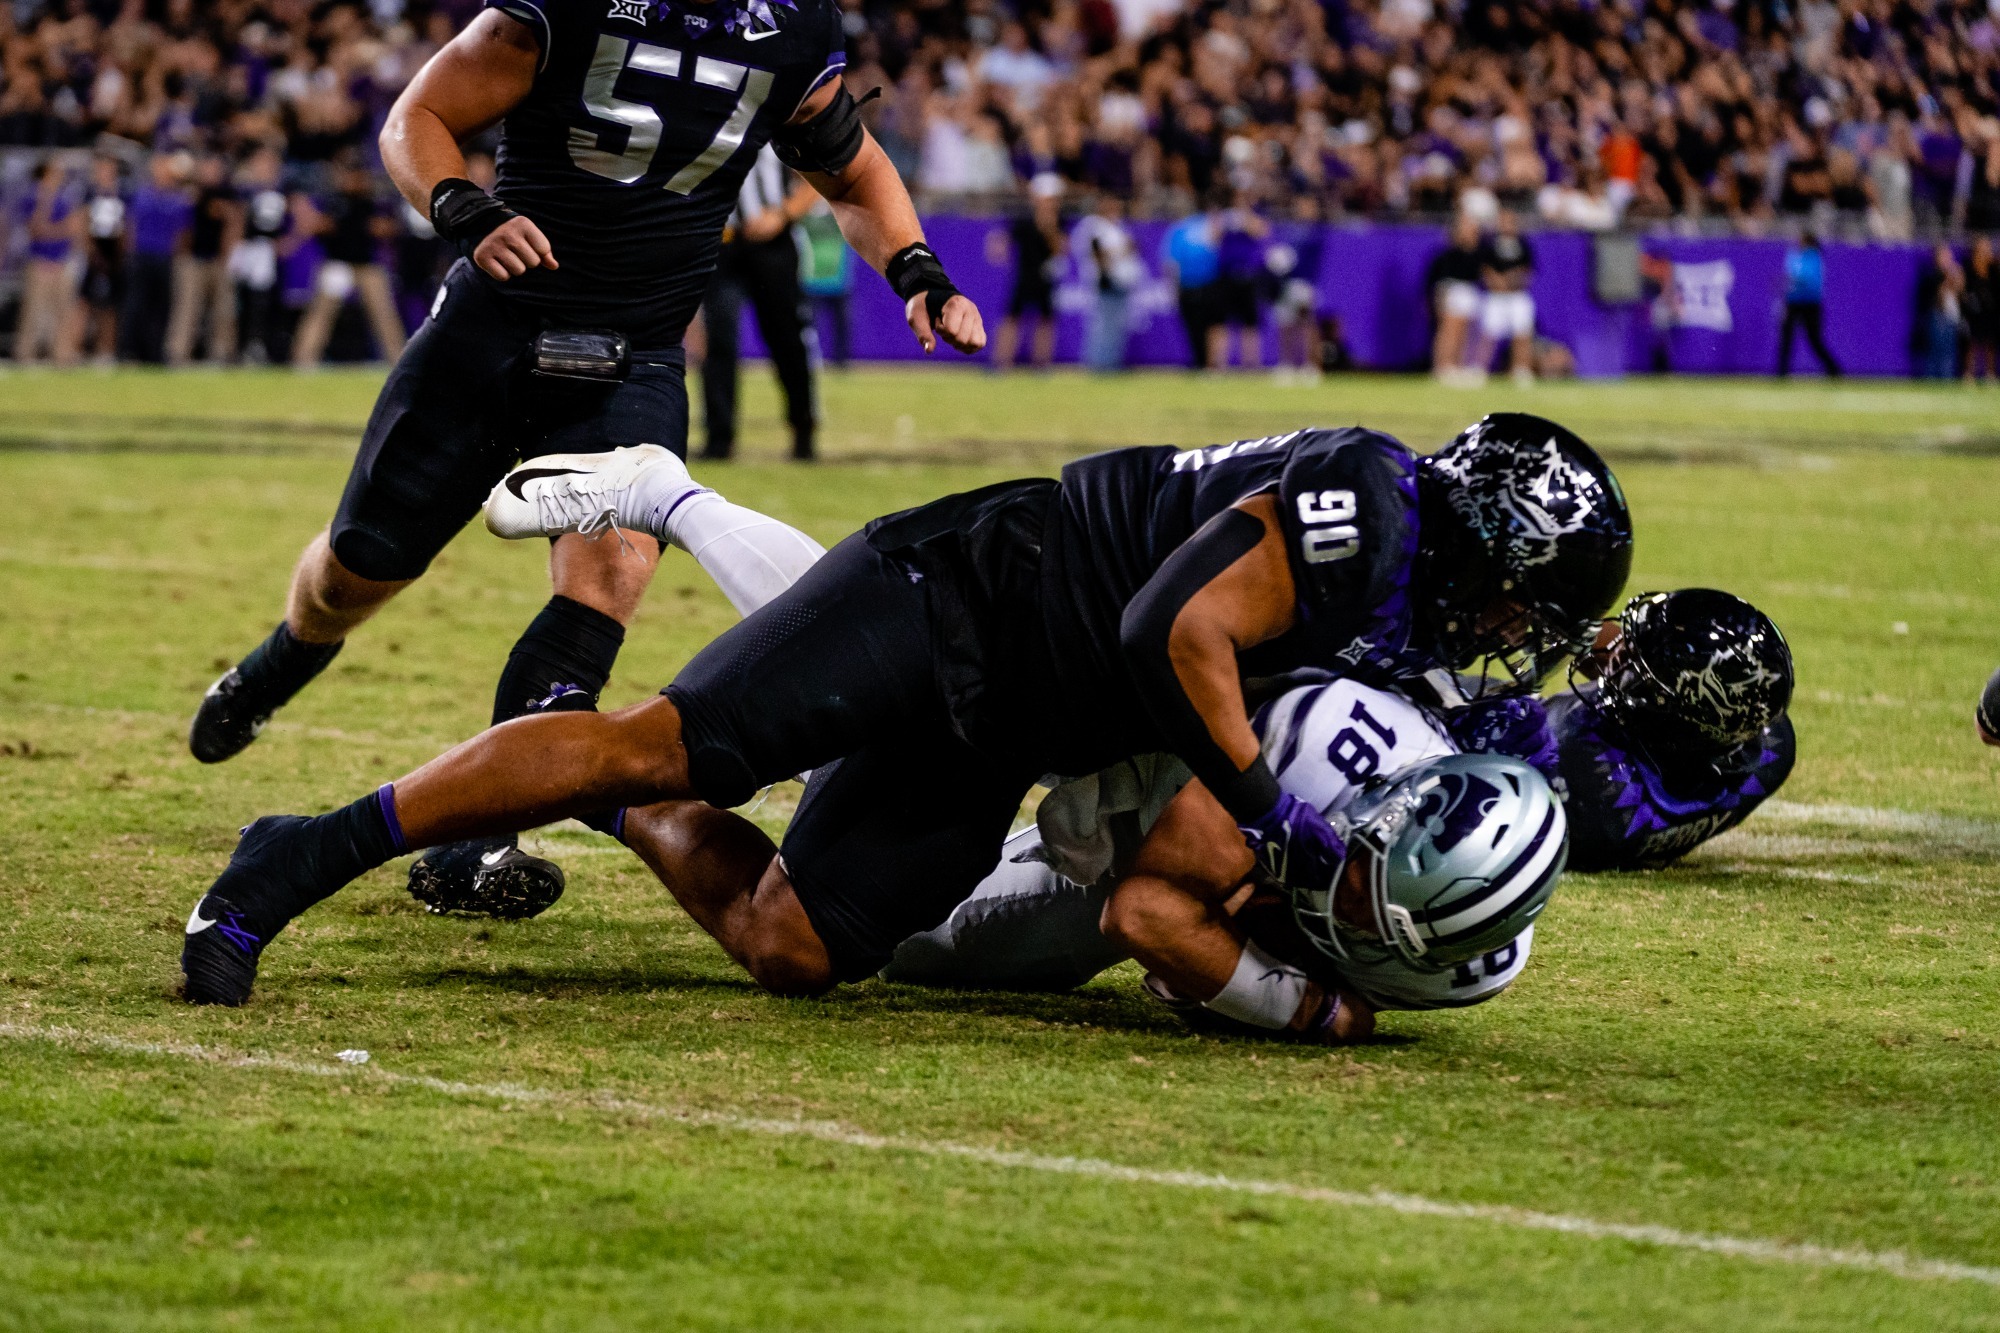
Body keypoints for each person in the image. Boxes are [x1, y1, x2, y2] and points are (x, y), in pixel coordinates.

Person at [176, 412, 1633, 1006]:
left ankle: (618, 805)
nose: (1514, 635)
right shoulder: (1366, 503)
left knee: (800, 947)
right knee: (662, 732)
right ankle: (294, 853)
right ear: (1494, 543)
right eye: (1526, 602)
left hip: (1021, 719)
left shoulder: (1390, 569)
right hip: (969, 594)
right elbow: (1171, 627)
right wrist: (1271, 816)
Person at [186, 0, 983, 924]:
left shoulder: (793, 24)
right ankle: (281, 662)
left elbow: (851, 171)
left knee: (608, 575)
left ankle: (472, 842)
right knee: (358, 569)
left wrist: (918, 268)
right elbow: (419, 116)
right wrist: (464, 207)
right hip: (494, 329)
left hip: (634, 352)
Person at [1554, 589, 1795, 871]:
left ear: (1678, 722)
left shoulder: (1593, 779)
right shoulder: (1771, 746)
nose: (1621, 652)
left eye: (1641, 666)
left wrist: (1545, 613)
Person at [699, 144, 821, 461]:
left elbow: (821, 171)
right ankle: (719, 439)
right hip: (721, 244)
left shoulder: (776, 112)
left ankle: (803, 430)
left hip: (773, 246)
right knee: (719, 339)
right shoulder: (708, 114)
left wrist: (783, 214)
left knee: (785, 339)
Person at [290, 154, 407, 369]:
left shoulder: (372, 201)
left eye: (358, 175)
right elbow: (317, 225)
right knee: (321, 314)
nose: (355, 180)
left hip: (367, 265)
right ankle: (303, 361)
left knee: (384, 316)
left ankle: (399, 362)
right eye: (351, 175)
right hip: (337, 264)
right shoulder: (333, 200)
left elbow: (389, 227)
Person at [166, 154, 243, 366]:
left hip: (220, 259)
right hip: (194, 259)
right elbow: (183, 228)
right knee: (187, 308)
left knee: (223, 310)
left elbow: (235, 223)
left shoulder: (229, 193)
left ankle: (222, 353)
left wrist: (229, 255)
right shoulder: (193, 193)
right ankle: (178, 353)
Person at [120, 154, 192, 365]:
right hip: (142, 256)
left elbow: (183, 233)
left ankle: (155, 352)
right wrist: (129, 252)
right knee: (135, 305)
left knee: (161, 308)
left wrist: (175, 255)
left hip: (164, 257)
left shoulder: (178, 199)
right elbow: (130, 226)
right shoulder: (142, 195)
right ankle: (128, 350)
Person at [989, 172, 1065, 372]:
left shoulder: (1059, 222)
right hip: (1024, 277)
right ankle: (1001, 364)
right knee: (1011, 318)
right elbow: (1004, 241)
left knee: (1046, 320)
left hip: (1046, 278)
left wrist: (1049, 228)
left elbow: (1061, 249)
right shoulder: (1024, 220)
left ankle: (1041, 365)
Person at [12, 157, 80, 366]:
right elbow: (36, 229)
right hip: (40, 260)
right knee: (33, 310)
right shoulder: (35, 195)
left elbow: (73, 227)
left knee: (63, 310)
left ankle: (62, 354)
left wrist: (55, 231)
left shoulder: (65, 196)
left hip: (61, 259)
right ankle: (26, 353)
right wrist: (46, 202)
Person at [231, 147, 294, 365]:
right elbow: (237, 220)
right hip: (247, 248)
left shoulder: (284, 190)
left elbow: (301, 216)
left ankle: (258, 346)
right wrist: (234, 249)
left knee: (264, 303)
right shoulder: (245, 190)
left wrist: (289, 240)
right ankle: (238, 347)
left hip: (267, 251)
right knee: (240, 300)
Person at [1070, 191, 1140, 371]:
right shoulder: (1094, 225)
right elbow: (1097, 252)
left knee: (1115, 326)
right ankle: (1097, 364)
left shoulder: (1117, 226)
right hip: (1106, 281)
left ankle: (1111, 363)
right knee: (1102, 326)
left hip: (1121, 282)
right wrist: (1116, 257)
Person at [68, 156, 126, 366]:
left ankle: (106, 350)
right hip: (93, 252)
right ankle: (73, 350)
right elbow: (82, 221)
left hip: (113, 253)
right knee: (83, 302)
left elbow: (126, 225)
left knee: (110, 306)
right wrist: (88, 248)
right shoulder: (89, 193)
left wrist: (121, 252)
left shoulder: (123, 193)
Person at [1267, 192, 1325, 382]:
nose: (1304, 210)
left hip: (1304, 284)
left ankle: (1311, 365)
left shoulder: (1315, 232)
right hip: (1287, 285)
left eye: (1308, 207)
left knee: (1307, 324)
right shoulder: (1290, 231)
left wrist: (1287, 259)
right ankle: (1286, 365)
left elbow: (1300, 257)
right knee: (1286, 325)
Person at [1475, 210, 1536, 386]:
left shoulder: (1523, 244)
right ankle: (1480, 369)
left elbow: (1528, 270)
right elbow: (1484, 268)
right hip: (1496, 295)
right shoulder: (1490, 244)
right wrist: (1497, 281)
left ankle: (1521, 369)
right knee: (1489, 334)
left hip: (1517, 295)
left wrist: (1512, 280)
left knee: (1522, 332)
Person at [1160, 195, 1221, 368]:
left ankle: (1204, 362)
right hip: (1201, 284)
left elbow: (1170, 263)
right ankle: (1205, 362)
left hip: (1199, 284)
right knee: (1204, 326)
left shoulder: (1182, 228)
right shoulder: (1187, 228)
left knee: (1200, 327)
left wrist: (1173, 288)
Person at [1213, 191, 1269, 369]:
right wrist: (1225, 223)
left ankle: (1251, 365)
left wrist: (1245, 220)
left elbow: (1261, 231)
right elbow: (1212, 237)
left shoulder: (1253, 216)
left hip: (1247, 275)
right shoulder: (1225, 217)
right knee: (1221, 320)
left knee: (1250, 323)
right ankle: (1219, 365)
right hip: (1226, 275)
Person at [1426, 212, 1483, 384]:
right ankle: (1442, 366)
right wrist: (1438, 300)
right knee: (1449, 330)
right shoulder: (1446, 255)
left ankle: (1457, 366)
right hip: (1451, 290)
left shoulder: (1476, 254)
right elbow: (1435, 280)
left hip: (1469, 291)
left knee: (1464, 332)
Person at [1776, 231, 1840, 378]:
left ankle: (1834, 369)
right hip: (1793, 303)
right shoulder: (1794, 255)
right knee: (1786, 338)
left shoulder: (1814, 257)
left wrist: (1792, 280)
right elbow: (1790, 276)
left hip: (1811, 304)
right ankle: (1781, 373)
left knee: (1814, 340)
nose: (1799, 242)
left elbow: (1808, 279)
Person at [1913, 243, 1963, 380]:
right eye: (1944, 256)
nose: (1947, 259)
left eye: (1949, 256)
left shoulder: (1953, 273)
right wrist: (1948, 278)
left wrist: (1957, 277)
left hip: (1951, 316)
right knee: (1934, 351)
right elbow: (1937, 297)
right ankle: (1931, 380)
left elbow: (1960, 292)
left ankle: (1946, 380)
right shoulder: (1932, 275)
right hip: (1936, 317)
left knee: (1949, 351)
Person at [1961, 235, 1997, 386]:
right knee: (1972, 343)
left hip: (1991, 311)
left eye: (1987, 247)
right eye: (1982, 247)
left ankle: (1990, 374)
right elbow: (1964, 290)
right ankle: (1969, 374)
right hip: (1973, 312)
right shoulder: (1968, 267)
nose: (1985, 250)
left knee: (1990, 343)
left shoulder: (1994, 268)